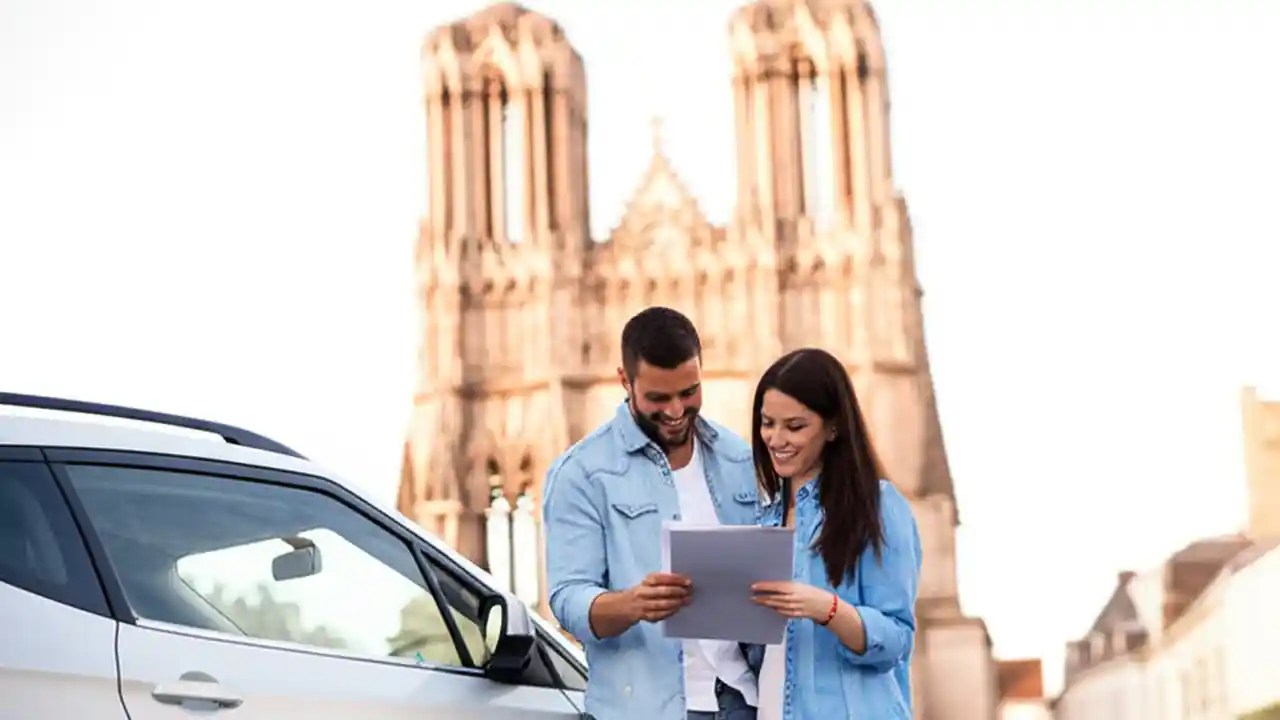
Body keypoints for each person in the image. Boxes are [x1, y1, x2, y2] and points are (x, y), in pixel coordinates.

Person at [543, 306, 761, 720]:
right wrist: (632, 603)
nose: (676, 411)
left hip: (742, 702)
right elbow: (568, 599)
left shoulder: (740, 460)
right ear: (624, 381)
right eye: (658, 398)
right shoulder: (583, 473)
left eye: (689, 392)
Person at [727, 347, 922, 720]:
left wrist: (826, 609)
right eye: (767, 423)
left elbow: (897, 639)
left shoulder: (877, 507)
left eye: (795, 426)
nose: (776, 439)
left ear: (833, 427)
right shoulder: (761, 519)